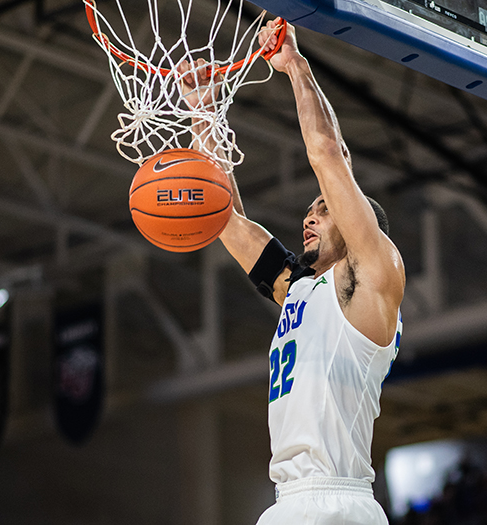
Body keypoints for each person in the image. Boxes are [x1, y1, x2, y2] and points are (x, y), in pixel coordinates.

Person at [180, 18, 406, 525]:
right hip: (287, 504)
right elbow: (224, 216)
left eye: (324, 209)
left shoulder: (372, 278)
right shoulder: (298, 291)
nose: (310, 216)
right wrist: (204, 115)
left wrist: (295, 66)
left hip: (339, 500)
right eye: (310, 209)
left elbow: (329, 155)